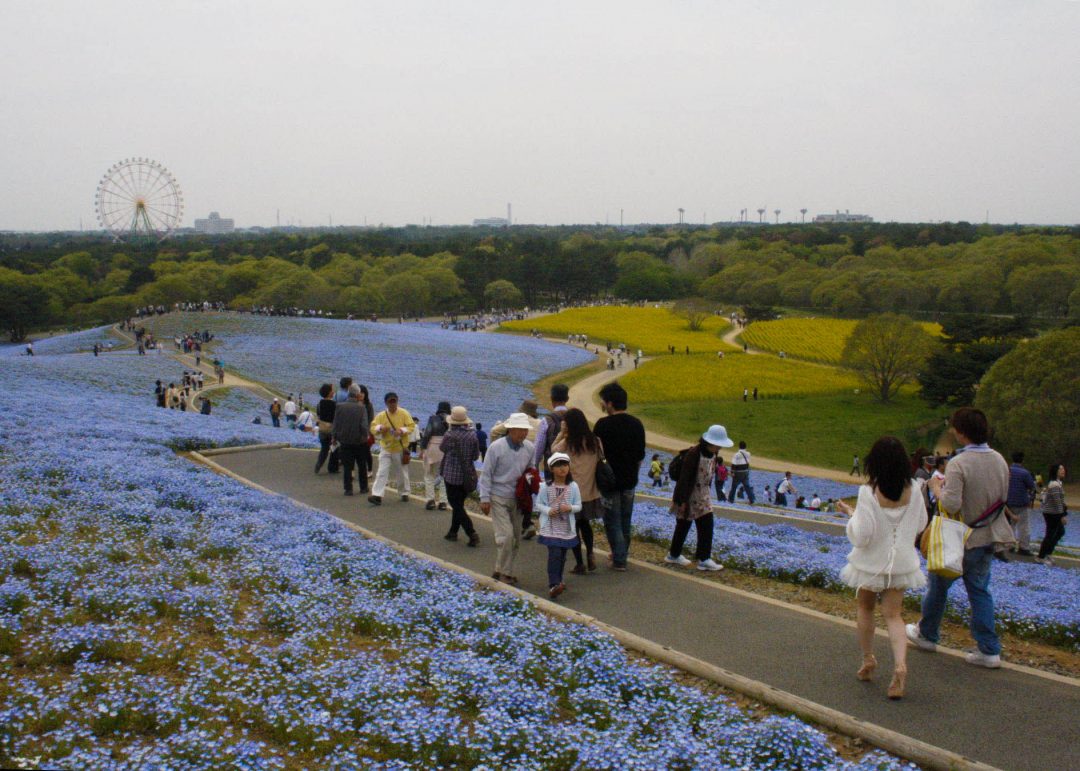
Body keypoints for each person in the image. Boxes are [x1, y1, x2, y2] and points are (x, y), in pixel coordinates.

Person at [907, 408, 1012, 669]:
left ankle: (927, 635)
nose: (952, 432)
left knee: (938, 587)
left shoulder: (959, 463)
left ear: (962, 432)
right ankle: (989, 650)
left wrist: (936, 489)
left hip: (959, 538)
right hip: (988, 536)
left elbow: (952, 504)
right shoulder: (999, 460)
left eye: (954, 428)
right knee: (979, 592)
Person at [837, 436, 928, 700]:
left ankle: (868, 660)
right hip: (901, 564)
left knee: (866, 608)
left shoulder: (869, 491)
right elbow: (921, 523)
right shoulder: (914, 488)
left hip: (871, 564)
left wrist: (851, 518)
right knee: (894, 616)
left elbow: (862, 535)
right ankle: (900, 667)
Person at [592, 382, 646, 572]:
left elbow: (595, 454)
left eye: (603, 402)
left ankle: (619, 559)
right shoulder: (637, 424)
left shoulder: (602, 425)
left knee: (612, 520)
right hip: (630, 480)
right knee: (625, 519)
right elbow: (640, 456)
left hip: (610, 482)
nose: (602, 406)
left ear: (610, 403)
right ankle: (620, 553)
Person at [479, 413, 536, 585]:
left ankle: (502, 569)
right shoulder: (496, 447)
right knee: (506, 535)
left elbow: (531, 469)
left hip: (518, 497)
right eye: (520, 430)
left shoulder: (529, 448)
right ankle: (505, 572)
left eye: (525, 430)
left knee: (516, 537)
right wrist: (484, 498)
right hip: (498, 495)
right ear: (510, 429)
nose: (523, 433)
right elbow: (486, 473)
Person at [665, 425, 730, 572]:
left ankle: (698, 558)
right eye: (718, 444)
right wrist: (681, 501)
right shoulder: (694, 454)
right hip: (689, 496)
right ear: (710, 442)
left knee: (703, 525)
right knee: (685, 525)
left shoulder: (713, 454)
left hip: (703, 496)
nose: (720, 447)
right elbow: (685, 478)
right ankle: (680, 556)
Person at [551, 407, 604, 574]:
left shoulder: (569, 442)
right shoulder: (595, 440)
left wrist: (562, 433)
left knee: (572, 528)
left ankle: (580, 563)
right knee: (585, 524)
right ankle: (590, 553)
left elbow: (553, 451)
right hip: (590, 491)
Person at [534, 452, 582, 598]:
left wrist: (570, 508)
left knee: (562, 555)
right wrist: (548, 510)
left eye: (565, 465)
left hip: (566, 528)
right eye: (558, 466)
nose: (562, 469)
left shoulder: (573, 486)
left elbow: (578, 505)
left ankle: (559, 580)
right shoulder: (545, 486)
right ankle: (553, 584)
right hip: (550, 528)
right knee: (554, 554)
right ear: (551, 469)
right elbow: (538, 504)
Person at [439, 406, 480, 547]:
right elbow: (475, 456)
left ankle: (471, 532)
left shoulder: (449, 435)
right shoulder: (472, 435)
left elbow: (442, 448)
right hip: (467, 475)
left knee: (455, 505)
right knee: (459, 504)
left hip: (451, 475)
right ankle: (453, 532)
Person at [368, 392, 415, 505]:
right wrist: (380, 428)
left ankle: (404, 492)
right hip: (386, 447)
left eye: (394, 401)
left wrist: (402, 430)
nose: (393, 404)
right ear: (386, 403)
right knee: (382, 472)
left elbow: (411, 426)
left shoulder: (404, 413)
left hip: (400, 447)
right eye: (390, 402)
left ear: (397, 401)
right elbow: (373, 427)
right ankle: (377, 495)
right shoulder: (381, 415)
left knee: (401, 472)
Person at [332, 384, 371, 496]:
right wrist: (366, 436)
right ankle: (363, 487)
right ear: (358, 394)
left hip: (344, 440)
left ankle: (348, 489)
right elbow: (364, 426)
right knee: (361, 465)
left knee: (348, 466)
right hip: (359, 441)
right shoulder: (361, 408)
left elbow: (336, 423)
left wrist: (334, 437)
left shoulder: (339, 406)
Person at [420, 401, 452, 511]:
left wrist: (422, 448)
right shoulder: (452, 420)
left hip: (433, 448)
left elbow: (427, 434)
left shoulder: (433, 418)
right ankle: (443, 502)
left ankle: (430, 500)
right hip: (446, 449)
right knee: (444, 476)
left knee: (429, 474)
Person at [534, 384, 570, 481]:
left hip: (551, 469)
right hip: (571, 469)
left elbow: (538, 449)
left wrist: (535, 467)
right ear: (567, 399)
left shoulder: (546, 421)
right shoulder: (575, 418)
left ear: (551, 399)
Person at [1036, 463, 1068, 565]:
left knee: (1059, 532)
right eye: (1061, 469)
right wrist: (1062, 515)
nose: (1063, 471)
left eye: (1063, 469)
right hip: (1052, 513)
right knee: (1050, 534)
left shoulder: (1058, 483)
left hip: (1055, 512)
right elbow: (1057, 502)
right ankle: (1041, 557)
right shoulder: (1054, 484)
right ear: (1055, 472)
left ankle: (1048, 553)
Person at [1007, 451, 1037, 556]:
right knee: (1023, 526)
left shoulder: (1007, 470)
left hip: (1008, 502)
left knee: (1010, 525)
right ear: (1022, 460)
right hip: (1021, 502)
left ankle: (1009, 545)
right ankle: (1023, 547)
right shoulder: (1025, 473)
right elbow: (1032, 486)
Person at [314, 383, 337, 474]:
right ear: (329, 393)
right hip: (332, 430)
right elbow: (336, 417)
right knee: (334, 448)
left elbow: (318, 415)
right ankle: (332, 468)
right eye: (332, 391)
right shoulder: (334, 404)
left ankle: (318, 465)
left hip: (322, 429)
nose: (333, 392)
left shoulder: (319, 404)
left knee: (324, 448)